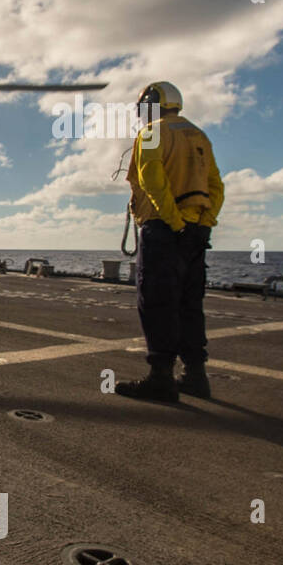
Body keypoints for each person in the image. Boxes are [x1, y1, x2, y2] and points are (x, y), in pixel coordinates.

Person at [116, 81, 225, 402]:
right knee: (190, 304)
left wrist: (174, 222)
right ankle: (195, 375)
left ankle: (161, 378)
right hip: (195, 233)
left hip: (164, 230)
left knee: (158, 302)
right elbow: (216, 186)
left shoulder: (152, 133)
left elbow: (151, 178)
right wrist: (203, 224)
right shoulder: (199, 136)